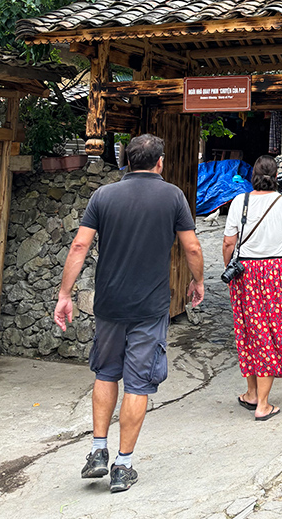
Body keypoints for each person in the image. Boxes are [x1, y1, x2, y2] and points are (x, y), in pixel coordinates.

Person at [54, 134, 204, 494]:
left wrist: (64, 294)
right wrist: (198, 281)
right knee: (138, 384)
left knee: (105, 373)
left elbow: (79, 245)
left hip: (110, 304)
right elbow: (193, 246)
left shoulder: (103, 196)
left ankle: (97, 450)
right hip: (149, 308)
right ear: (160, 162)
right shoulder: (173, 196)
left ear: (126, 160)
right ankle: (123, 465)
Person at [223, 154, 282, 420]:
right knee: (272, 331)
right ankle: (262, 403)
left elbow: (228, 243)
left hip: (246, 272)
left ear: (253, 177)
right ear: (276, 175)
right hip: (278, 273)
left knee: (250, 331)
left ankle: (251, 394)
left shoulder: (240, 202)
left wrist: (229, 266)